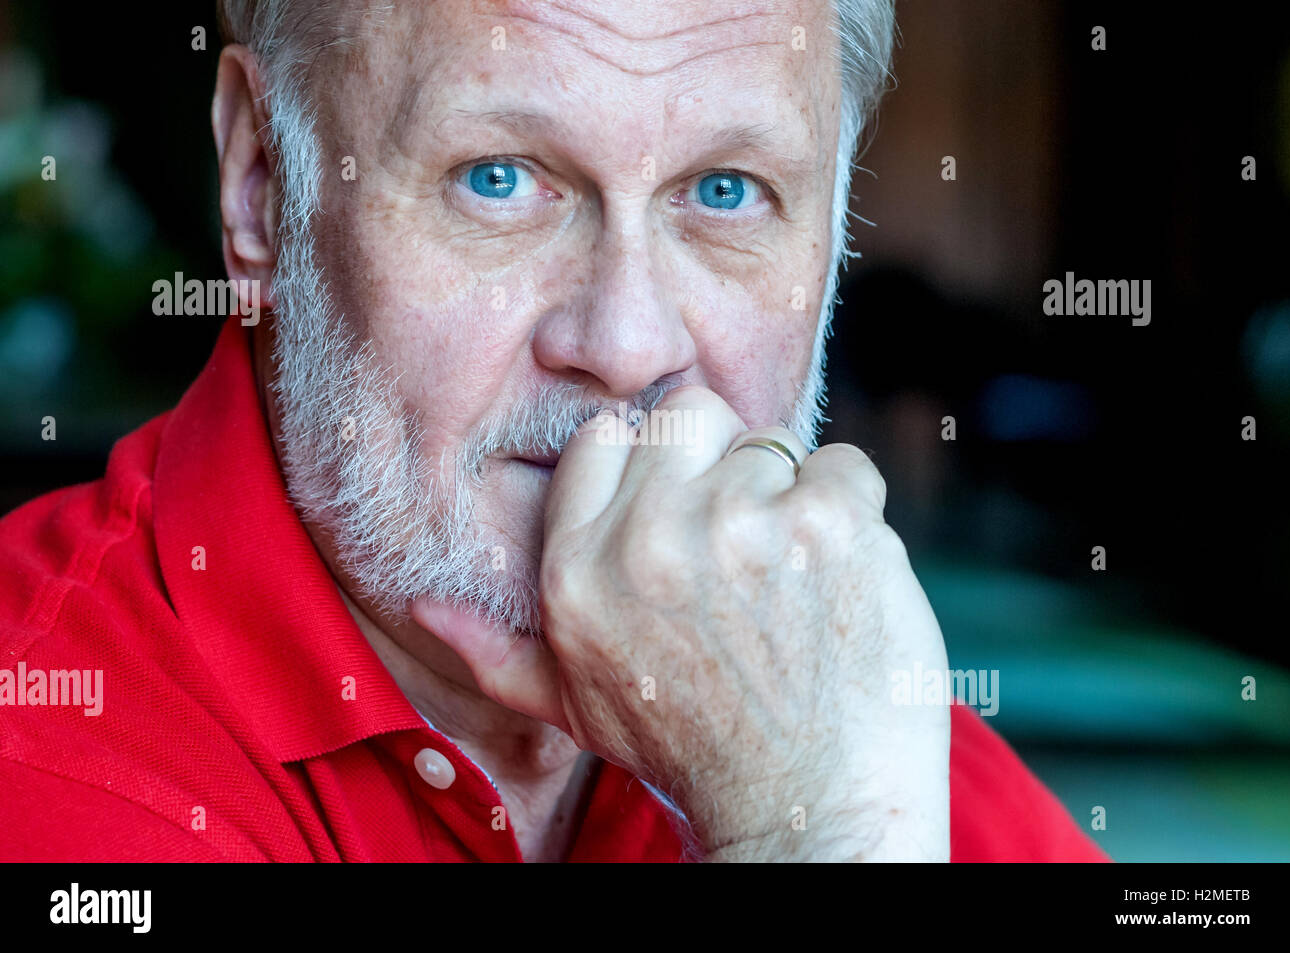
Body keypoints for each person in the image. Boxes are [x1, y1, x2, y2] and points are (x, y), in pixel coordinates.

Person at [0, 0, 1106, 862]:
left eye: (724, 189)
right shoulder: (47, 750)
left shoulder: (845, 736)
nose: (625, 345)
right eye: (500, 179)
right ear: (258, 184)